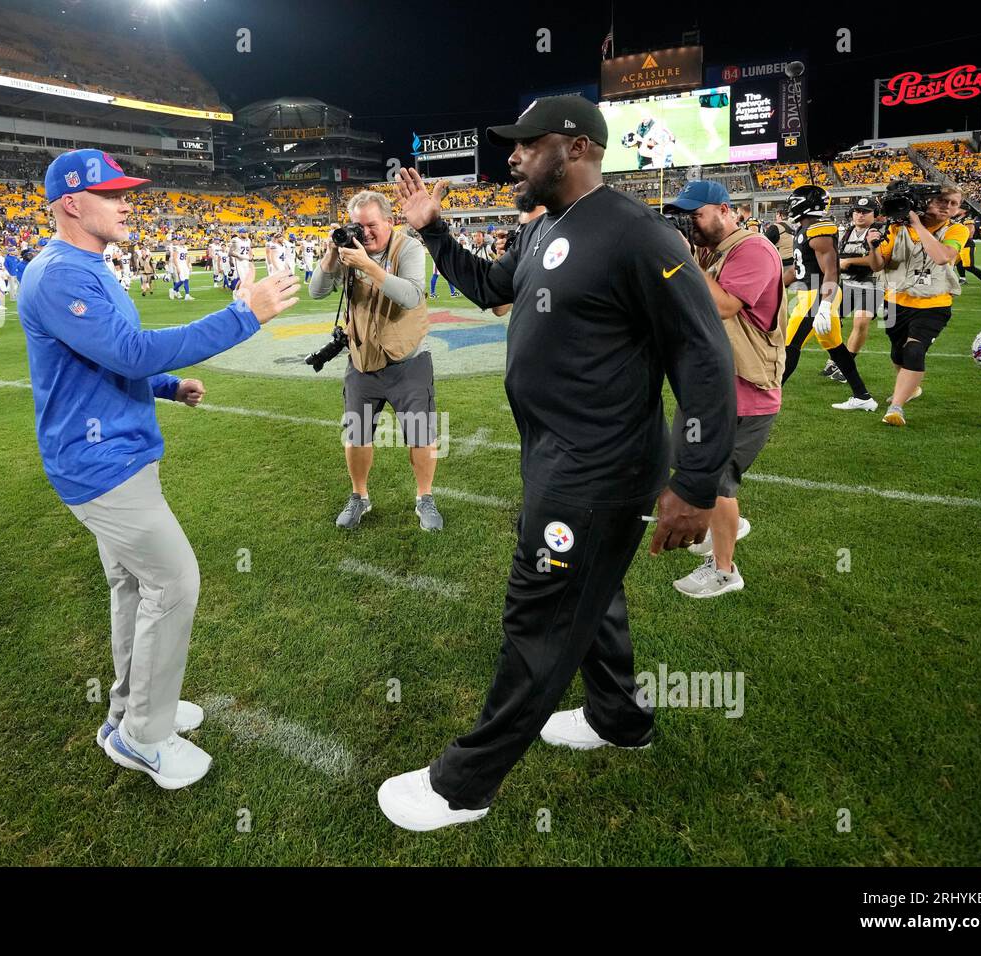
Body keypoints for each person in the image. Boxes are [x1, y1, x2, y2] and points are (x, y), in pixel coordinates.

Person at [381, 95, 735, 831]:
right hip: (555, 458)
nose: (511, 155)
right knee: (592, 595)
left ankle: (463, 785)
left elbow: (702, 355)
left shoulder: (637, 234)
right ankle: (620, 718)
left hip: (598, 472)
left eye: (526, 144)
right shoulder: (547, 229)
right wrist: (435, 231)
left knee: (538, 613)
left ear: (575, 148)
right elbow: (488, 289)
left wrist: (696, 483)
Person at [19, 148, 300, 791]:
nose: (127, 203)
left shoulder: (85, 265)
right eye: (113, 194)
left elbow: (113, 361)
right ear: (71, 202)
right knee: (175, 583)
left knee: (134, 588)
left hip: (113, 453)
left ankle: (135, 712)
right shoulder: (61, 273)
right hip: (100, 464)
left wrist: (168, 387)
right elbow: (127, 350)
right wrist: (242, 314)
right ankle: (145, 739)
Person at [665, 180, 786, 598]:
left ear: (723, 210)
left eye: (695, 215)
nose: (691, 224)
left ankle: (724, 571)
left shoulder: (752, 248)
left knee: (715, 481)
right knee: (689, 465)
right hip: (708, 385)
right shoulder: (711, 250)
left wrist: (683, 256)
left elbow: (722, 305)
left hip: (746, 389)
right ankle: (724, 525)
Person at [308, 190, 442, 532]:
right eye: (358, 225)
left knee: (420, 435)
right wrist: (330, 257)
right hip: (362, 359)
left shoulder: (408, 248)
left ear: (390, 222)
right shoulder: (349, 252)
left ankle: (425, 498)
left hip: (408, 360)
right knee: (356, 434)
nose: (364, 233)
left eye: (371, 225)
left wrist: (367, 266)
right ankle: (359, 496)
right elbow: (316, 292)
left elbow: (411, 296)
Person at [865, 184, 967, 426]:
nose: (948, 207)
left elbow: (942, 257)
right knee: (897, 352)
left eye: (953, 203)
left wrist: (918, 225)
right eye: (942, 201)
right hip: (895, 300)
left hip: (934, 303)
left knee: (914, 350)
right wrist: (872, 246)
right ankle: (910, 388)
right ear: (925, 200)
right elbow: (878, 266)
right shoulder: (896, 228)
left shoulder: (957, 230)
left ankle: (896, 407)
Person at [780, 185, 876, 412]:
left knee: (790, 343)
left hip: (820, 293)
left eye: (794, 201)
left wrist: (824, 305)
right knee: (835, 347)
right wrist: (772, 286)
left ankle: (767, 395)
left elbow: (832, 270)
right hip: (811, 293)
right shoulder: (804, 229)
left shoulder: (818, 229)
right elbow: (798, 269)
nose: (790, 205)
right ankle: (863, 396)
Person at [826, 196, 886, 383]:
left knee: (860, 322)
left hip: (872, 285)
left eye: (865, 212)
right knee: (830, 321)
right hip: (846, 284)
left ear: (874, 215)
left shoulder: (879, 232)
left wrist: (849, 261)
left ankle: (846, 364)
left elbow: (877, 262)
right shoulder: (846, 231)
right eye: (857, 211)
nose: (860, 215)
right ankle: (835, 358)